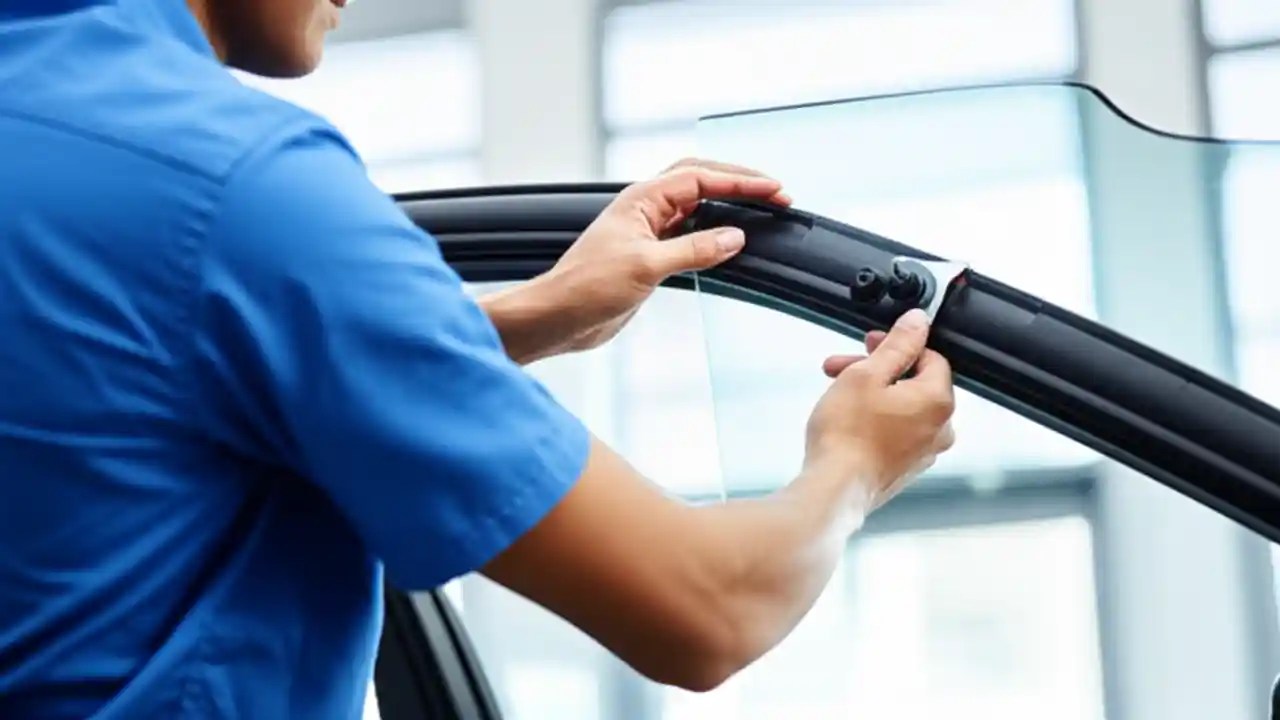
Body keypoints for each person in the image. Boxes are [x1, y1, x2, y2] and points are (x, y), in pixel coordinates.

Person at [0, 0, 956, 718]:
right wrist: (857, 462)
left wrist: (539, 314)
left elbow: (114, 403)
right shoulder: (241, 186)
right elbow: (707, 608)